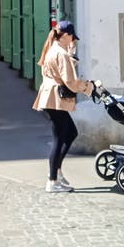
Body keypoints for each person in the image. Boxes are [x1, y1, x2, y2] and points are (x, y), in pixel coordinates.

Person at [32, 20, 95, 194]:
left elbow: (59, 71)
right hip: (55, 98)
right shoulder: (60, 53)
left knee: (69, 133)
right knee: (60, 138)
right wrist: (90, 87)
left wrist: (71, 54)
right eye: (72, 37)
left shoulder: (53, 49)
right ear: (66, 35)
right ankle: (52, 180)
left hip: (50, 96)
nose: (73, 40)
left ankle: (57, 173)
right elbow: (71, 81)